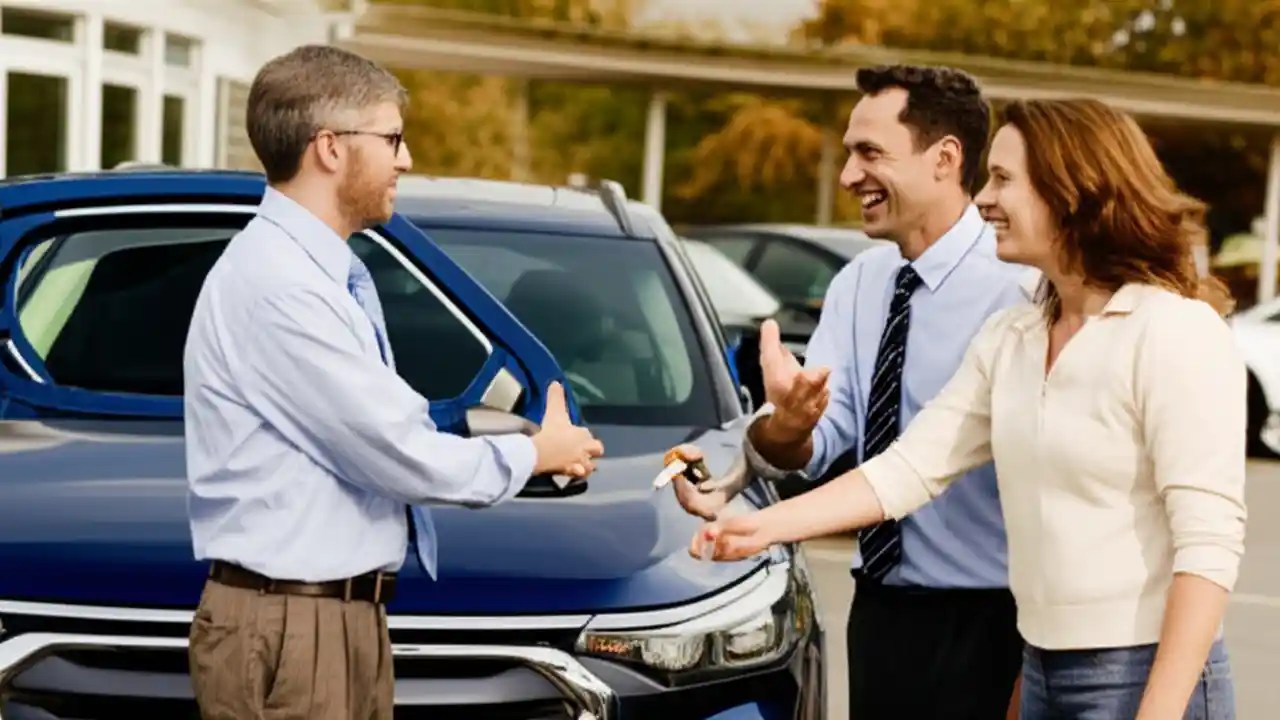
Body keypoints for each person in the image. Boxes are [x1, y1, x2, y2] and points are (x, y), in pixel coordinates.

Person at [691, 98, 1246, 719]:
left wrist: (1160, 710)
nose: (983, 200)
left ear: (1073, 191)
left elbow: (1209, 544)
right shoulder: (1012, 337)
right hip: (1040, 668)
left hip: (1146, 673)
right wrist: (764, 527)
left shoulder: (1175, 332)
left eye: (1004, 180)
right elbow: (909, 470)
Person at [183, 45, 604, 720]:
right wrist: (535, 454)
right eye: (392, 139)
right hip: (293, 625)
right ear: (330, 148)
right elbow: (392, 448)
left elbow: (382, 424)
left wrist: (494, 435)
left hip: (326, 618)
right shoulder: (279, 287)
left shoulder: (314, 274)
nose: (405, 159)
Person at [673, 64, 1030, 719]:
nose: (847, 177)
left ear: (945, 159)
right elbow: (813, 447)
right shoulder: (859, 284)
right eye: (848, 154)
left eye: (870, 153)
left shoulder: (1020, 291)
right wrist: (788, 423)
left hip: (995, 623)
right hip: (882, 615)